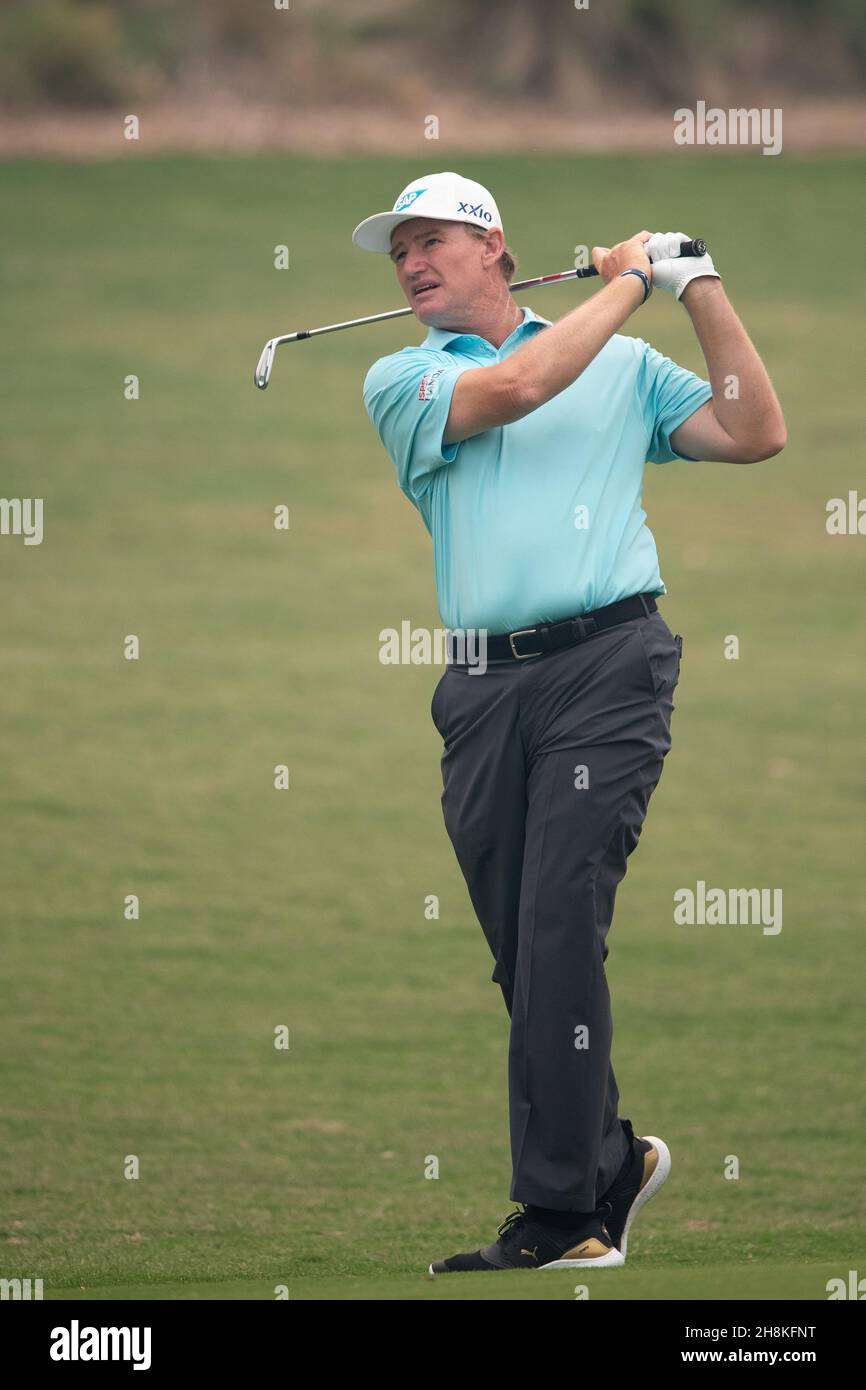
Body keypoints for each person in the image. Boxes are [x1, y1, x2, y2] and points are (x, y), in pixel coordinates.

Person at [354, 172, 786, 1273]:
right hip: (481, 692)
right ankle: (608, 1161)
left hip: (607, 666)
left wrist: (695, 287)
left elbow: (751, 430)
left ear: (493, 246)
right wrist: (632, 282)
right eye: (397, 249)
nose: (408, 262)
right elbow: (517, 388)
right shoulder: (401, 375)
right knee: (524, 954)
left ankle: (560, 1219)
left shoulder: (625, 360)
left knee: (555, 928)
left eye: (430, 239)